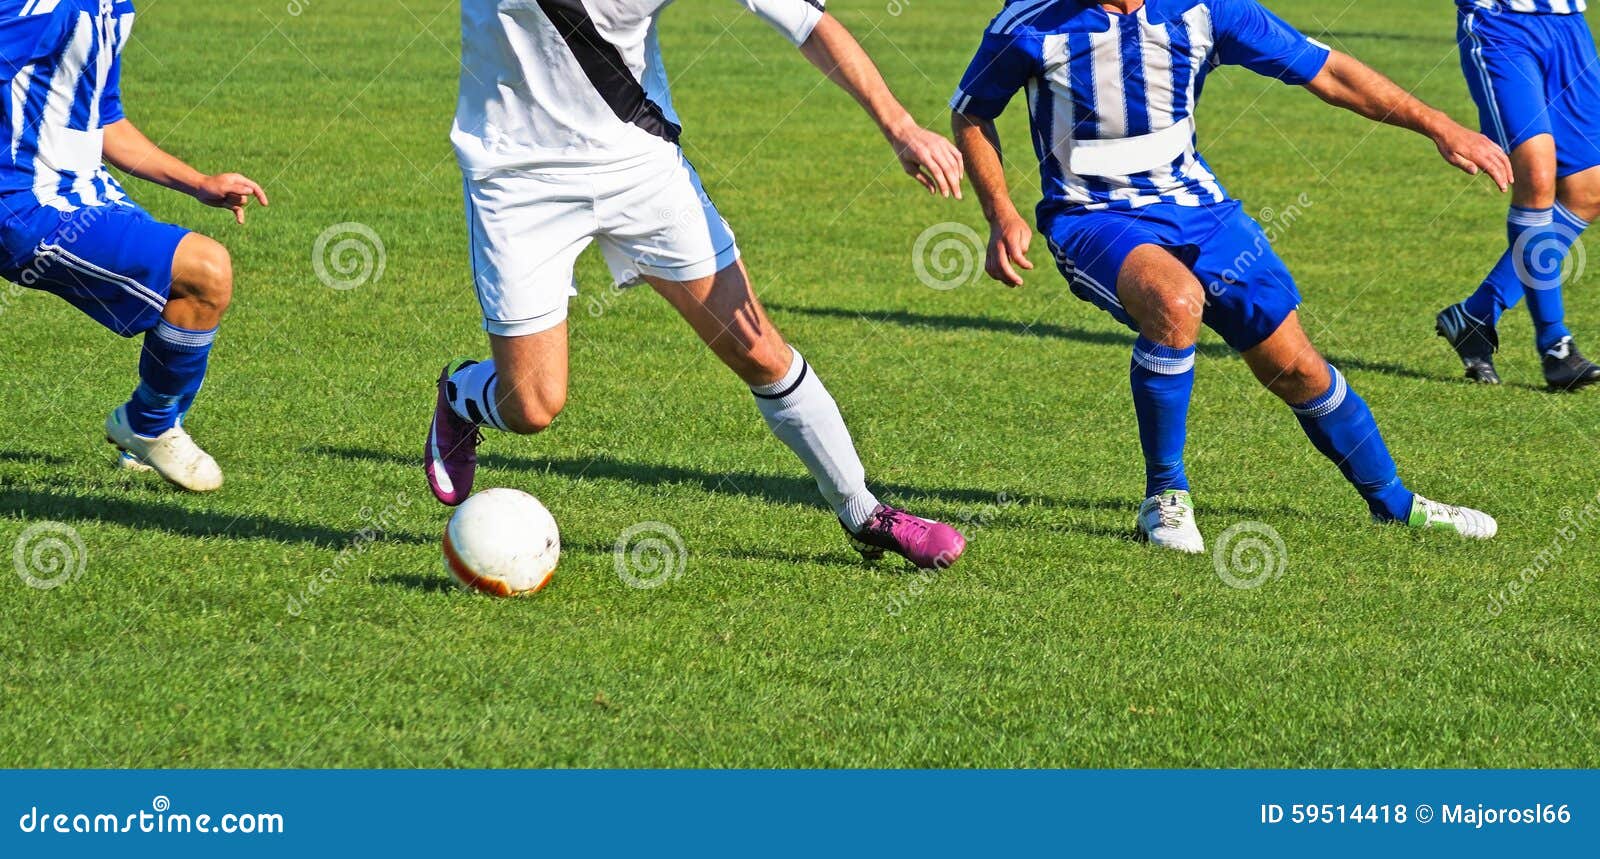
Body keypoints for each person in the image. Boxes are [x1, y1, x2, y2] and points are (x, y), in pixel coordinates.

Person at [951, 0, 1509, 552]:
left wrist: (1440, 126)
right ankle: (1165, 496)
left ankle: (1395, 503)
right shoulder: (1030, 22)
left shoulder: (1205, 9)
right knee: (1175, 302)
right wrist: (1001, 213)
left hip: (1200, 209)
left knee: (1296, 368)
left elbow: (1328, 71)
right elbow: (972, 112)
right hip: (1092, 215)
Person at [429, 0, 968, 568]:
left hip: (641, 170)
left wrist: (901, 127)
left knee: (759, 350)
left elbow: (809, 25)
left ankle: (863, 513)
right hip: (517, 181)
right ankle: (462, 395)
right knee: (533, 406)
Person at [0, 0, 267, 491]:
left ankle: (148, 431)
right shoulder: (36, 5)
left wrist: (198, 183)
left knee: (191, 293)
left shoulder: (114, 7)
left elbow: (103, 121)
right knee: (205, 270)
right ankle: (148, 426)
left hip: (89, 195)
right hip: (26, 206)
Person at [1436, 0, 1600, 390]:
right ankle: (1556, 346)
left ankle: (1475, 315)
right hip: (1501, 23)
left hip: (1569, 26)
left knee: (1589, 191)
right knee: (1537, 177)